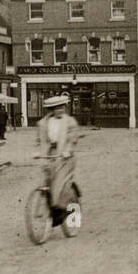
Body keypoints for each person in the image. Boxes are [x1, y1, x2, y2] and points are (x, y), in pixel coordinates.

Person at [37, 94, 81, 223]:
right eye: (56, 108)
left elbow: (73, 138)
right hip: (51, 153)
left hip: (66, 155)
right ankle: (52, 208)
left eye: (61, 107)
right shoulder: (43, 123)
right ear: (51, 110)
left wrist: (68, 150)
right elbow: (40, 140)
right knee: (46, 180)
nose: (59, 110)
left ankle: (63, 209)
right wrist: (37, 152)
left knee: (60, 182)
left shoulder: (70, 121)